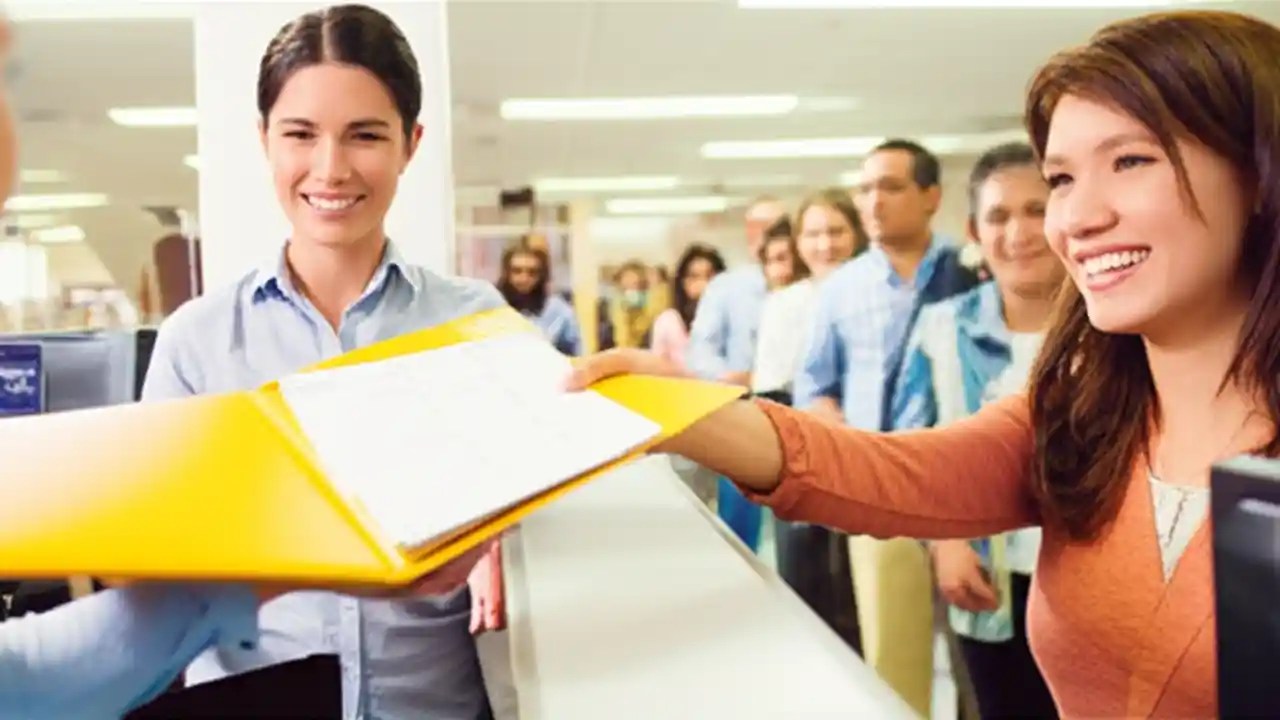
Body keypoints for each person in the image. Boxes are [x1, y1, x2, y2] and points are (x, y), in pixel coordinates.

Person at [566, 9, 1273, 717]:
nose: (1075, 219)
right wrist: (679, 404)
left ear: (1260, 176)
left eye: (1130, 161)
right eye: (1061, 177)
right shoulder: (1081, 414)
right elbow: (890, 474)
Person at [141, 6, 503, 718]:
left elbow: (532, 501)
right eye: (300, 135)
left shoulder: (475, 325)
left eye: (365, 136)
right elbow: (155, 573)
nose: (331, 169)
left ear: (411, 144)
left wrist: (506, 543)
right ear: (264, 141)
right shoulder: (197, 345)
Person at [795, 140, 979, 715]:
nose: (874, 201)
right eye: (866, 188)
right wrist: (840, 432)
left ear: (931, 197)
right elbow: (812, 383)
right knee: (893, 665)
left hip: (974, 490)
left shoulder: (971, 270)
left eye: (891, 187)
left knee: (982, 663)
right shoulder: (842, 289)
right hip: (883, 492)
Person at [891, 142, 1062, 718]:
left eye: (1037, 210)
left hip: (1093, 580)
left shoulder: (1115, 327)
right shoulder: (942, 328)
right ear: (973, 231)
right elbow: (909, 448)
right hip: (989, 583)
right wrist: (945, 542)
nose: (1020, 233)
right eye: (999, 216)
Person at [752, 188, 867, 654]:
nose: (825, 245)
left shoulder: (873, 292)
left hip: (868, 454)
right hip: (800, 453)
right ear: (798, 243)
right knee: (807, 586)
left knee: (861, 602)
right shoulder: (785, 304)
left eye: (837, 231)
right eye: (814, 234)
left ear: (856, 234)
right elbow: (769, 390)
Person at [687, 196, 787, 386]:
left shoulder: (807, 286)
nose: (761, 233)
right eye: (754, 226)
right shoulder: (725, 287)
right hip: (740, 398)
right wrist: (730, 377)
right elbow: (701, 350)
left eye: (772, 227)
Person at [496, 241, 581, 355]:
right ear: (506, 273)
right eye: (517, 271)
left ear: (542, 276)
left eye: (532, 273)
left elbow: (577, 355)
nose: (524, 279)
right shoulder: (490, 307)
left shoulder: (559, 312)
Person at [650, 244, 726, 370]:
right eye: (694, 276)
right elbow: (656, 368)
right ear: (683, 282)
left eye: (710, 276)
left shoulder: (731, 319)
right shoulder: (668, 321)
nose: (704, 283)